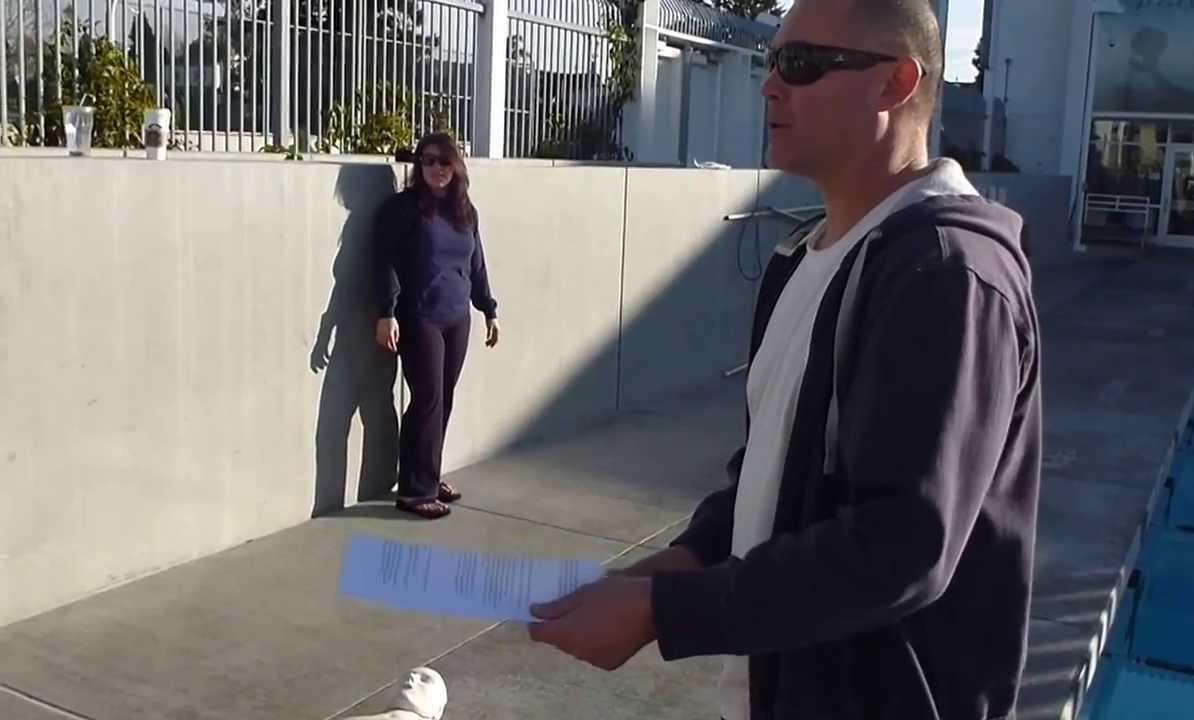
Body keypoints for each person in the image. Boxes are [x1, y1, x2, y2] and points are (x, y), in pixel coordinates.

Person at [527, 1, 1043, 719]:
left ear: (895, 84)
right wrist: (678, 565)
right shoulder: (806, 258)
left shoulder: (945, 275)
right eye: (772, 62)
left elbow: (900, 545)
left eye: (800, 66)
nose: (770, 86)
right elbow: (779, 481)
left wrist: (662, 613)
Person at [374, 133, 500, 520]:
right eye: (427, 161)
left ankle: (428, 473)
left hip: (456, 317)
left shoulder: (465, 211)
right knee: (427, 399)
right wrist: (386, 312)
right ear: (418, 166)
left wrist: (488, 309)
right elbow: (384, 262)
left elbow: (475, 263)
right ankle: (415, 492)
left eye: (443, 161)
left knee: (442, 399)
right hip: (419, 317)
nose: (435, 169)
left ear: (456, 166)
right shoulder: (403, 208)